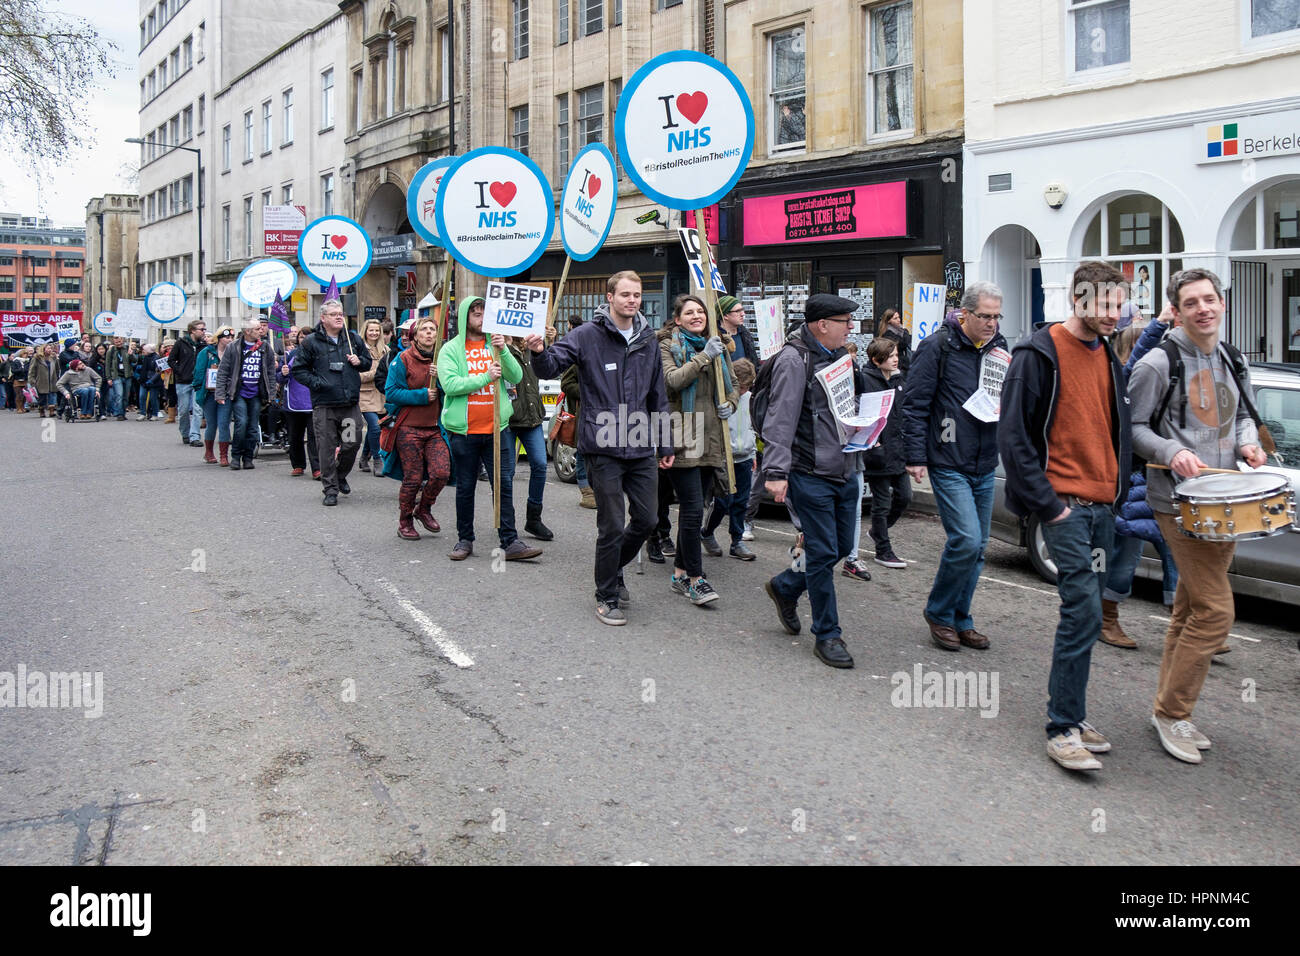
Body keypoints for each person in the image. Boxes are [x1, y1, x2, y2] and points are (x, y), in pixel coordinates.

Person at [1129, 267, 1266, 765]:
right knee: (1216, 612)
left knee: (1189, 610)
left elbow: (1244, 414)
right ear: (1178, 310)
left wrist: (1248, 444)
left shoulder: (1232, 356)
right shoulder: (1157, 363)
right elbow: (1134, 429)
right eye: (1192, 302)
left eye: (1210, 299)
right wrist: (1171, 450)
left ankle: (1165, 708)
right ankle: (1173, 714)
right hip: (1179, 502)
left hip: (1227, 498)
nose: (1203, 308)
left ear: (1221, 303)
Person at [999, 261, 1132, 773]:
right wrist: (1049, 507)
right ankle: (1063, 726)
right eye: (1104, 305)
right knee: (1083, 611)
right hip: (1066, 508)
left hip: (1103, 508)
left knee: (1088, 613)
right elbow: (1012, 439)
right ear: (1077, 299)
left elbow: (1112, 429)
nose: (1113, 315)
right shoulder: (1037, 355)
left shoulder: (1109, 356)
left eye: (1118, 305)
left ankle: (1072, 713)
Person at [526, 271, 673, 625]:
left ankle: (613, 568)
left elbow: (658, 394)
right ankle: (606, 594)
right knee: (611, 524)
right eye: (625, 294)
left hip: (639, 444)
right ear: (610, 297)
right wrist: (539, 350)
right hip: (602, 445)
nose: (632, 300)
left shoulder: (648, 338)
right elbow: (550, 367)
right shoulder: (586, 335)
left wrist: (667, 440)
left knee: (647, 519)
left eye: (637, 295)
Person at [901, 280, 1009, 652]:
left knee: (977, 548)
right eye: (985, 316)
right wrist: (915, 456)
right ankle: (939, 612)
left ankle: (962, 619)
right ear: (964, 313)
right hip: (948, 459)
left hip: (984, 459)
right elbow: (914, 405)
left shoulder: (999, 347)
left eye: (997, 316)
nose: (992, 323)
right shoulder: (937, 347)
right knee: (965, 539)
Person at [760, 293, 866, 668]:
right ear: (823, 325)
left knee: (837, 549)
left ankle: (786, 587)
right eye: (845, 322)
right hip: (810, 473)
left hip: (845, 469)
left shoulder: (840, 356)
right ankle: (828, 635)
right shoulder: (794, 360)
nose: (851, 327)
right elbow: (780, 418)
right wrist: (775, 472)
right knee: (822, 554)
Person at [437, 295, 541, 560]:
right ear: (464, 317)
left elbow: (516, 377)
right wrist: (485, 376)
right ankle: (464, 539)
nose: (481, 317)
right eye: (476, 313)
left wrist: (503, 349)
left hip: (497, 429)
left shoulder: (495, 346)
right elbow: (450, 385)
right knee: (466, 487)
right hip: (464, 432)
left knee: (503, 485)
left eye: (484, 312)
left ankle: (510, 541)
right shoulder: (450, 349)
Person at [659, 294, 738, 604]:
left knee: (698, 509)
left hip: (712, 437)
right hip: (683, 436)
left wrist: (729, 405)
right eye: (689, 312)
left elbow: (732, 384)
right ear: (678, 319)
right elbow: (672, 381)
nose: (696, 316)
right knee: (692, 510)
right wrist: (704, 356)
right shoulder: (668, 346)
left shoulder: (718, 345)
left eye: (700, 311)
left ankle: (679, 573)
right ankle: (696, 578)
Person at [291, 299, 372, 505]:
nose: (339, 317)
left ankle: (340, 474)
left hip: (348, 404)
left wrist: (359, 362)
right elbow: (299, 370)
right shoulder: (311, 342)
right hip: (325, 405)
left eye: (341, 313)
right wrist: (318, 383)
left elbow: (367, 362)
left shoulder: (352, 338)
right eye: (334, 314)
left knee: (352, 443)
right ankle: (330, 490)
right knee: (326, 449)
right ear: (323, 318)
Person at [384, 315, 452, 539]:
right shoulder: (402, 359)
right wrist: (422, 395)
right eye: (424, 330)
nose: (430, 333)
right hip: (409, 428)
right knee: (412, 478)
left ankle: (423, 508)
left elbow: (450, 390)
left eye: (433, 329)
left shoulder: (442, 359)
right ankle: (404, 521)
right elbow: (391, 392)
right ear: (415, 335)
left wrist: (440, 379)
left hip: (434, 429)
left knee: (441, 473)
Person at [861, 336, 911, 569]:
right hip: (878, 453)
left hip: (898, 451)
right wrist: (875, 444)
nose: (895, 360)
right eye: (890, 356)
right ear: (876, 359)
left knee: (905, 497)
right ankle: (883, 550)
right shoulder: (865, 381)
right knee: (881, 503)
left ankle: (877, 531)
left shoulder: (900, 380)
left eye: (896, 355)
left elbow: (905, 413)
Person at [702, 357, 757, 561]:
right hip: (725, 457)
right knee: (723, 501)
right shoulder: (720, 398)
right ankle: (706, 532)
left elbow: (752, 427)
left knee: (741, 501)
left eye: (746, 387)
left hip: (744, 456)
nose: (742, 391)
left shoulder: (751, 399)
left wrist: (753, 453)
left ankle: (737, 540)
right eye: (740, 386)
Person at [508, 327, 558, 540]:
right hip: (507, 419)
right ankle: (506, 521)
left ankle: (533, 519)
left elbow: (550, 367)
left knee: (539, 464)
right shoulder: (497, 345)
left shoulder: (531, 346)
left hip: (532, 417)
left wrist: (550, 342)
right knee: (506, 472)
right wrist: (502, 346)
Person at [215, 319, 276, 471]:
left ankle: (248, 457)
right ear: (247, 332)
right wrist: (220, 394)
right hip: (239, 392)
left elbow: (270, 372)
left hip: (256, 393)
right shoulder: (233, 347)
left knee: (253, 427)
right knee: (241, 423)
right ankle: (236, 456)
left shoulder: (265, 347)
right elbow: (223, 371)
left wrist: (272, 393)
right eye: (257, 329)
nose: (261, 330)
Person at [280, 327, 320, 478]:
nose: (304, 340)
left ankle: (317, 468)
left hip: (313, 401)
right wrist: (282, 373)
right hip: (294, 402)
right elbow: (280, 378)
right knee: (295, 436)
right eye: (302, 337)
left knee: (314, 436)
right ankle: (298, 465)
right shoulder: (290, 355)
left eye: (307, 337)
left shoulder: (320, 355)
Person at [560, 361, 596, 510]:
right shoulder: (582, 356)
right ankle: (586, 492)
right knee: (582, 452)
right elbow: (566, 383)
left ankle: (598, 490)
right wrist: (588, 392)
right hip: (587, 414)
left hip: (608, 415)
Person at [194, 326, 232, 464]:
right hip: (209, 394)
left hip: (226, 394)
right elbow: (198, 371)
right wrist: (198, 389)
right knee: (212, 424)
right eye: (227, 337)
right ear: (219, 338)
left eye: (231, 338)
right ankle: (209, 452)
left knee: (224, 423)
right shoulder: (206, 352)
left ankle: (224, 455)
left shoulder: (232, 352)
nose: (230, 340)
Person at [357, 319, 387, 475]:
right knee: (374, 427)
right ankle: (377, 459)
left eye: (377, 330)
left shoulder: (385, 350)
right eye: (371, 330)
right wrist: (375, 374)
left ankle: (363, 458)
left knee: (375, 429)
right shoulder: (358, 350)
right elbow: (356, 376)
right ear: (365, 332)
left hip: (381, 394)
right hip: (365, 395)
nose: (374, 333)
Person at [170, 319, 205, 446]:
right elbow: (171, 360)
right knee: (184, 410)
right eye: (201, 329)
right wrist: (179, 371)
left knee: (197, 409)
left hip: (197, 381)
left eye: (204, 329)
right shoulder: (180, 343)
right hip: (183, 381)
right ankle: (185, 433)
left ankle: (195, 436)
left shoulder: (203, 345)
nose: (203, 332)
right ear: (192, 331)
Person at [717, 295, 758, 367]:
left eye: (742, 310)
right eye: (737, 311)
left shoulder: (745, 335)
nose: (743, 314)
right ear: (725, 315)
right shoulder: (716, 338)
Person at [104, 336, 133, 420]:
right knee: (119, 395)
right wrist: (108, 378)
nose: (119, 343)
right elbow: (107, 365)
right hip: (116, 376)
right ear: (114, 342)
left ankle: (123, 413)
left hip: (127, 376)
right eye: (116, 342)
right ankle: (119, 414)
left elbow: (134, 361)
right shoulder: (111, 351)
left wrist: (131, 355)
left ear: (122, 340)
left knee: (125, 396)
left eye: (120, 341)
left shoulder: (127, 348)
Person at [28, 344, 60, 417]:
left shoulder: (54, 358)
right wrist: (32, 380)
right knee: (42, 397)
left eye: (51, 348)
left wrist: (57, 378)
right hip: (41, 380)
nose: (50, 350)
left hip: (52, 379)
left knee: (52, 395)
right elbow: (32, 370)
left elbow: (57, 369)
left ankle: (51, 411)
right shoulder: (37, 358)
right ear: (43, 349)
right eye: (48, 348)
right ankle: (41, 410)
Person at [878, 307, 912, 374]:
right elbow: (903, 343)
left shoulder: (899, 330)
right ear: (889, 320)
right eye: (895, 318)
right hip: (897, 364)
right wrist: (905, 331)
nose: (898, 320)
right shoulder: (888, 333)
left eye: (898, 317)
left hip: (903, 363)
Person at [8, 348, 30, 414]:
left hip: (25, 379)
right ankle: (19, 408)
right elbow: (13, 370)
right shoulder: (15, 361)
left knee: (24, 395)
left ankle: (23, 407)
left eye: (26, 354)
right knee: (18, 394)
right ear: (21, 354)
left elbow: (29, 370)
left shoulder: (27, 361)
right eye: (24, 354)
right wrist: (21, 369)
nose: (26, 355)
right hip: (17, 380)